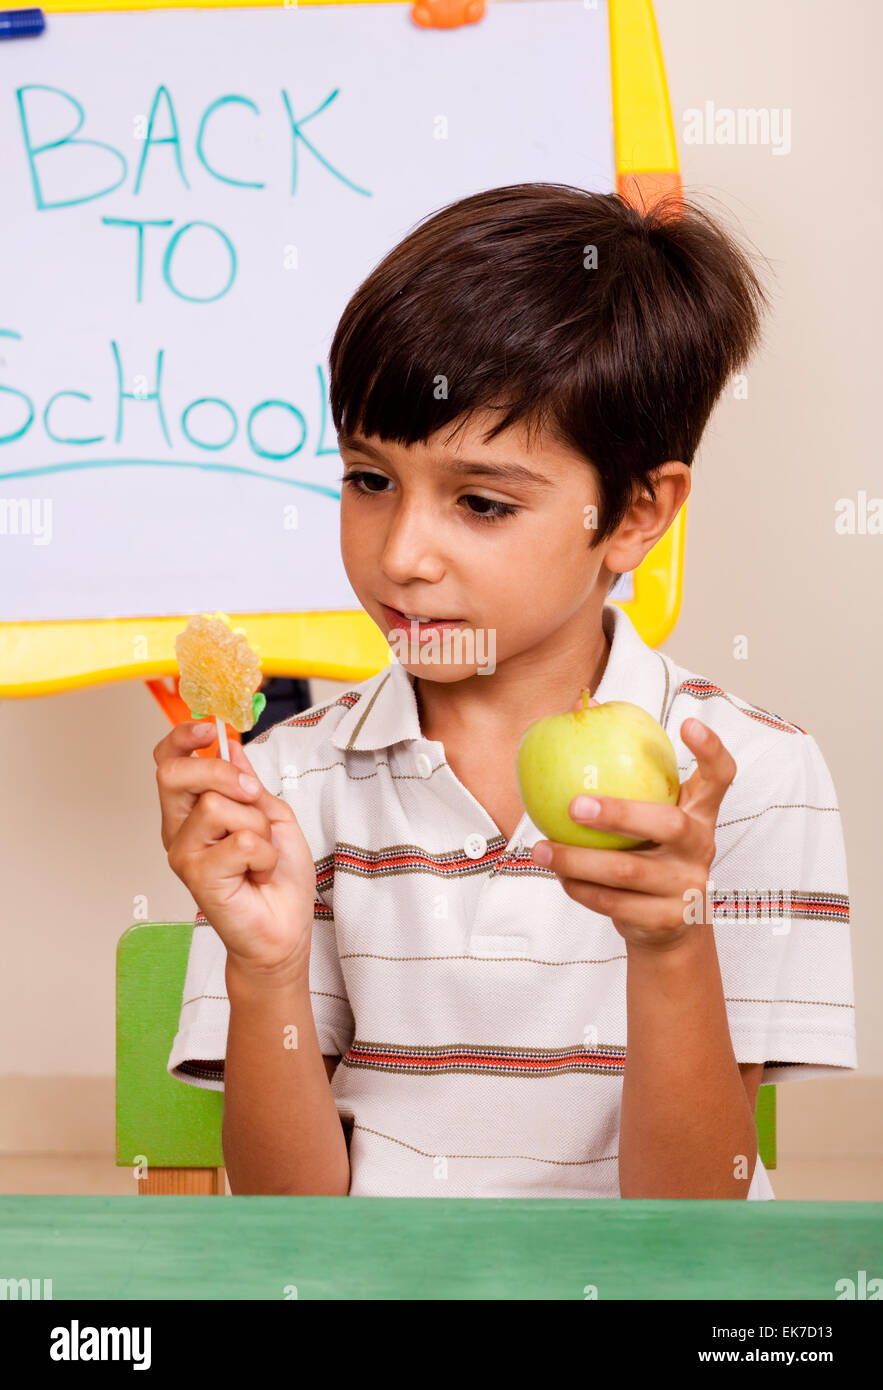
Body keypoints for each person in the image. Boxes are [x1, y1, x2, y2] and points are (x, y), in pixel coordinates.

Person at [154, 185, 856, 1198]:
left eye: (480, 503)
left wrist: (668, 943)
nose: (402, 556)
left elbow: (696, 1219)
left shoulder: (743, 775)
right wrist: (262, 969)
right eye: (367, 478)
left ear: (634, 514)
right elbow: (289, 1220)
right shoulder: (285, 780)